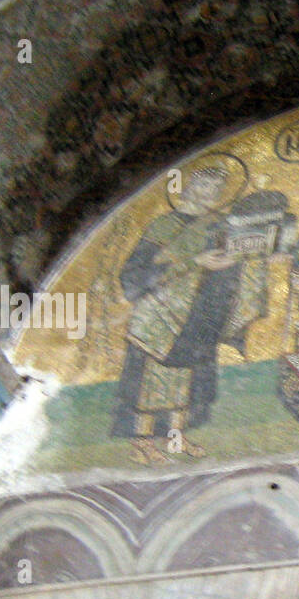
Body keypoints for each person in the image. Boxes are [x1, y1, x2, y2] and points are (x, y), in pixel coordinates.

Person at [110, 167, 243, 464]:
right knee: (152, 380)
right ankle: (142, 441)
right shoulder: (164, 226)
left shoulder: (217, 227)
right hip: (159, 314)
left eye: (217, 189)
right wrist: (194, 261)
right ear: (189, 187)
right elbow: (137, 273)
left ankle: (176, 436)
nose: (211, 194)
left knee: (185, 377)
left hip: (193, 313)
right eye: (205, 185)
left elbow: (224, 266)